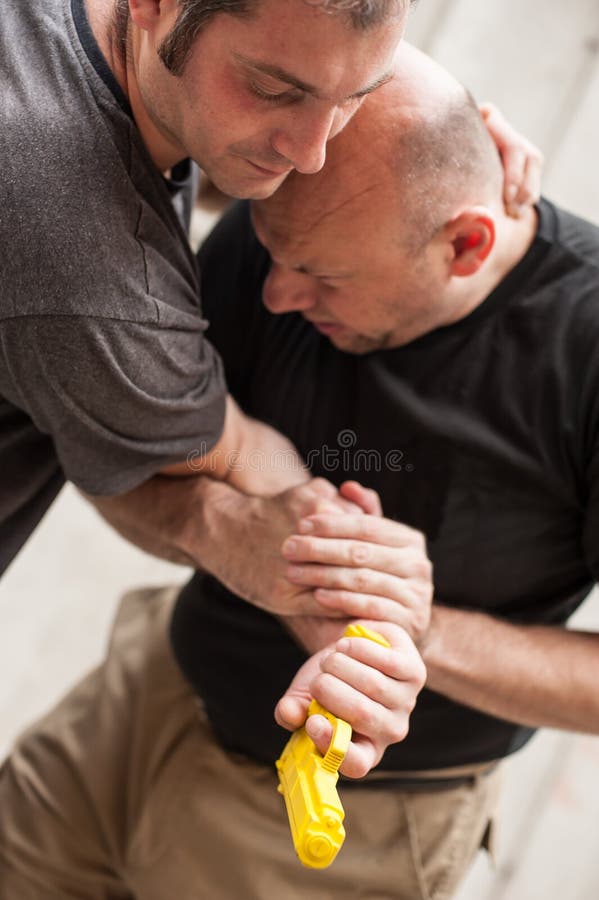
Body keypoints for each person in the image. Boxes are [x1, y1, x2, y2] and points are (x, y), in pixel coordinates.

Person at [0, 37, 560, 900]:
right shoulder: (264, 235)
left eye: (321, 276)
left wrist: (398, 632)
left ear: (464, 243)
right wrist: (228, 535)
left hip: (350, 823)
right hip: (146, 700)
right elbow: (114, 449)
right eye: (274, 256)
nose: (275, 295)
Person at [0, 0, 540, 621]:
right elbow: (238, 457)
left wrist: (447, 151)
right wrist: (355, 570)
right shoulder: (94, 275)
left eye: (355, 97)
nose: (312, 153)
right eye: (273, 89)